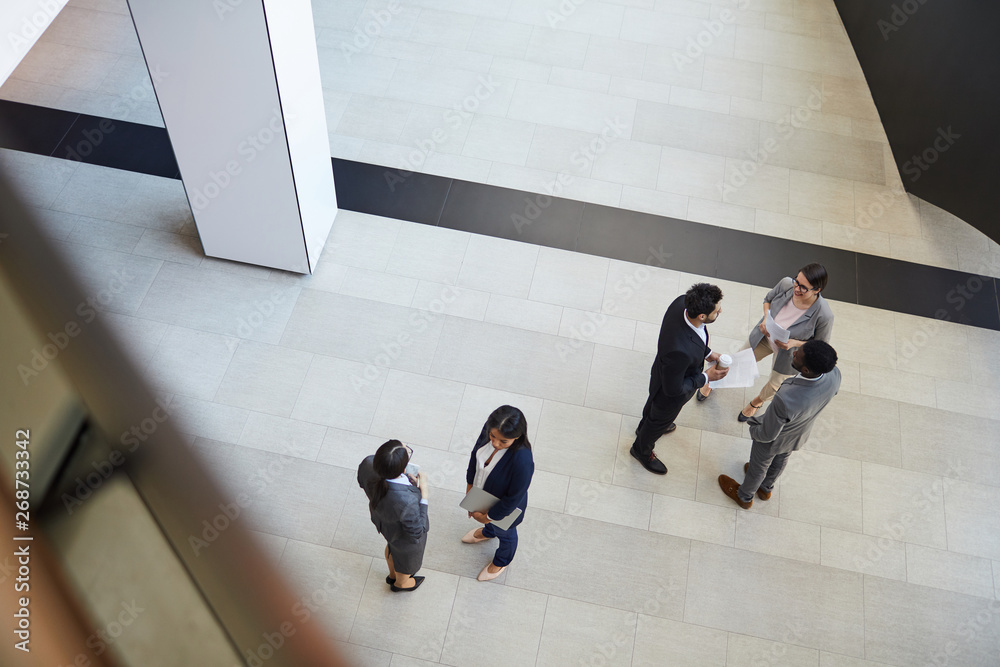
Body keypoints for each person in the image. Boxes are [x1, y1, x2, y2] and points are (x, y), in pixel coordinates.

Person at [700, 263, 833, 422]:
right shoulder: (786, 284)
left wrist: (794, 343)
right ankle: (714, 382)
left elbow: (820, 346)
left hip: (791, 354)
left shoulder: (824, 315)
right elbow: (768, 299)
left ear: (817, 290)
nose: (796, 289)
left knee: (774, 384)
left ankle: (757, 402)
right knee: (738, 360)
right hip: (764, 336)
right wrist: (765, 317)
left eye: (803, 287)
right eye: (797, 282)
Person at [718, 340, 841, 509]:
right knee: (781, 459)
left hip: (773, 440)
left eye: (799, 355)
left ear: (805, 370)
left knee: (758, 467)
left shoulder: (787, 398)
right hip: (798, 434)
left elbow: (767, 434)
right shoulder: (834, 374)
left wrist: (754, 429)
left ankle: (744, 497)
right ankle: (765, 488)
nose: (794, 352)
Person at [631, 283, 729, 475]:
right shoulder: (679, 351)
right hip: (671, 390)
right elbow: (674, 390)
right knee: (659, 417)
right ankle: (641, 450)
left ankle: (644, 427)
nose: (720, 311)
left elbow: (695, 339)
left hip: (662, 370)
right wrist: (705, 377)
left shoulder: (681, 303)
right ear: (702, 316)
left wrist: (706, 353)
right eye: (717, 311)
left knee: (652, 407)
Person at [462, 405, 534, 581]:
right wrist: (470, 486)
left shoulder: (522, 461)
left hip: (505, 507)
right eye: (493, 437)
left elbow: (513, 498)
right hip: (483, 494)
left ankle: (502, 560)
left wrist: (489, 516)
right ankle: (488, 532)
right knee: (492, 526)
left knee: (507, 534)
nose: (494, 443)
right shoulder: (490, 430)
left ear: (517, 437)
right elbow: (474, 456)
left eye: (503, 442)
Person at [357, 440, 429, 592]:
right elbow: (417, 531)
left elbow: (363, 483)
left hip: (385, 524)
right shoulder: (407, 501)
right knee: (405, 561)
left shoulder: (367, 463)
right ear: (403, 468)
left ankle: (392, 575)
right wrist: (424, 494)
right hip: (404, 537)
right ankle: (399, 584)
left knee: (392, 547)